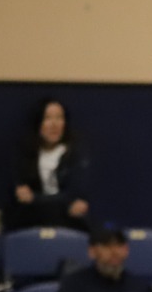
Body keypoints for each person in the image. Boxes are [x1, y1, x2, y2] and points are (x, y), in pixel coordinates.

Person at [7, 97, 92, 232]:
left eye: (59, 118)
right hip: (32, 220)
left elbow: (73, 195)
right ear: (38, 123)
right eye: (48, 118)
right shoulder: (25, 153)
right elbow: (21, 195)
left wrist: (35, 198)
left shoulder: (75, 153)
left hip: (68, 220)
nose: (55, 124)